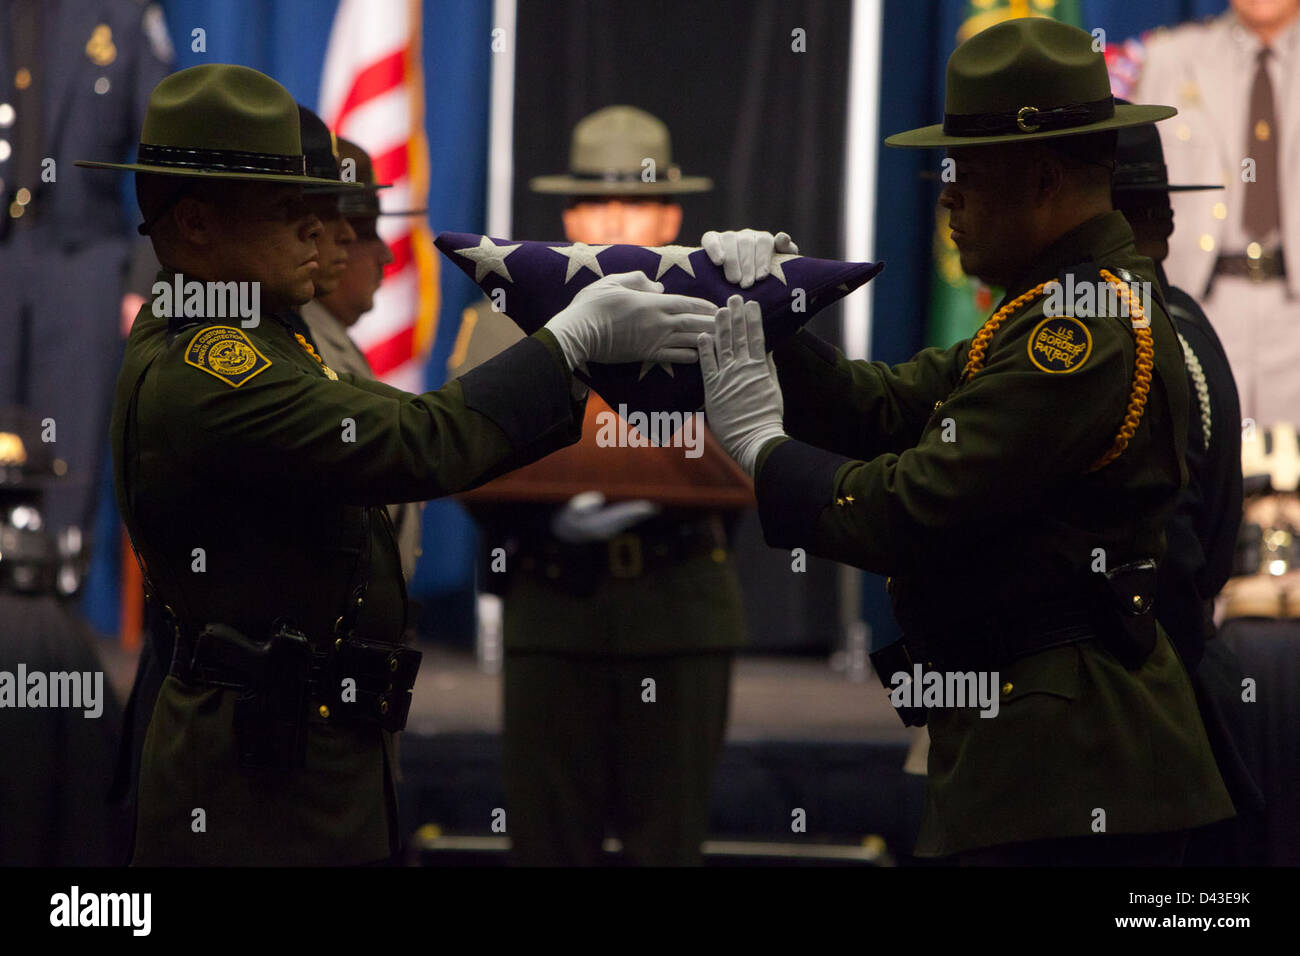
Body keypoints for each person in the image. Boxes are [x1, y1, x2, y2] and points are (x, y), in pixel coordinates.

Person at [76, 63, 718, 865]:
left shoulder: (263, 330)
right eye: (291, 214)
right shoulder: (210, 365)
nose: (326, 235)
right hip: (258, 770)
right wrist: (575, 343)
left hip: (305, 740)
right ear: (198, 226)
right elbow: (416, 441)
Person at [699, 17, 1233, 865]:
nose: (946, 198)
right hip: (1042, 752)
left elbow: (914, 508)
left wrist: (762, 448)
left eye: (967, 175)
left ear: (1046, 179)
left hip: (1069, 772)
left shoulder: (1079, 331)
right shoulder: (1051, 307)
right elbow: (888, 405)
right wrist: (769, 325)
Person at [450, 106, 754, 866]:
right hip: (553, 606)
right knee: (549, 843)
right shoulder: (508, 320)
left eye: (642, 200)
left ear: (674, 211)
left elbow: (767, 448)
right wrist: (539, 526)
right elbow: (462, 447)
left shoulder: (731, 314)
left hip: (680, 603)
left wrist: (692, 491)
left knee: (668, 842)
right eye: (599, 200)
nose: (620, 217)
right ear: (572, 213)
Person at [0, 0, 171, 538]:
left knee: (65, 463)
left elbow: (163, 147)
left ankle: (53, 606)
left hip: (83, 264)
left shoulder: (122, 13)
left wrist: (144, 279)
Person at [1132, 0, 1300, 429]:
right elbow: (1136, 194)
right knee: (1206, 471)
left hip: (1292, 304)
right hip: (1202, 306)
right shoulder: (1172, 58)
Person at [294, 121, 423, 582]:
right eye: (361, 229)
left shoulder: (331, 344)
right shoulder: (300, 351)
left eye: (361, 229)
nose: (385, 256)